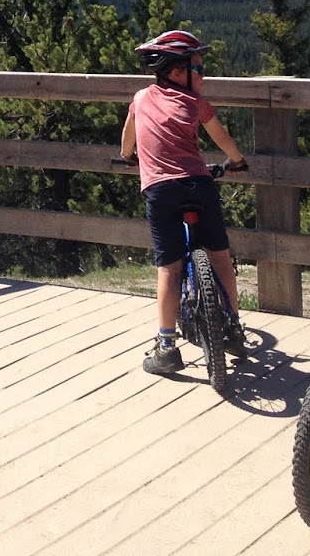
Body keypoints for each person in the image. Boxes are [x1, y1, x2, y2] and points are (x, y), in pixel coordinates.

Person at [120, 29, 249, 376]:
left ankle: (166, 347)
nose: (203, 75)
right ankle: (233, 328)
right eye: (198, 68)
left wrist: (129, 156)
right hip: (198, 185)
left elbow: (128, 138)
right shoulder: (195, 103)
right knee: (220, 257)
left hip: (161, 191)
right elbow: (220, 136)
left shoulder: (141, 98)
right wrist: (237, 161)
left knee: (169, 268)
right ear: (177, 72)